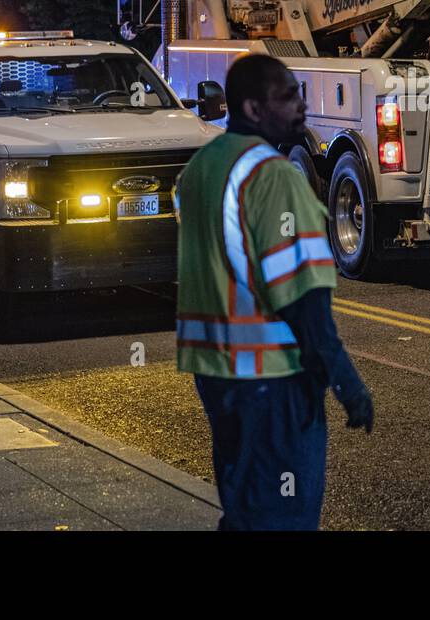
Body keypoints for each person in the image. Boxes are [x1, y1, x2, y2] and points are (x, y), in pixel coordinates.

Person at [175, 53, 373, 530]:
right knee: (282, 515)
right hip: (273, 377)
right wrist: (347, 385)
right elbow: (304, 303)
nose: (301, 106)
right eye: (287, 96)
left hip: (215, 370)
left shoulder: (201, 167)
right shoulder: (276, 176)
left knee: (244, 506)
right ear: (254, 108)